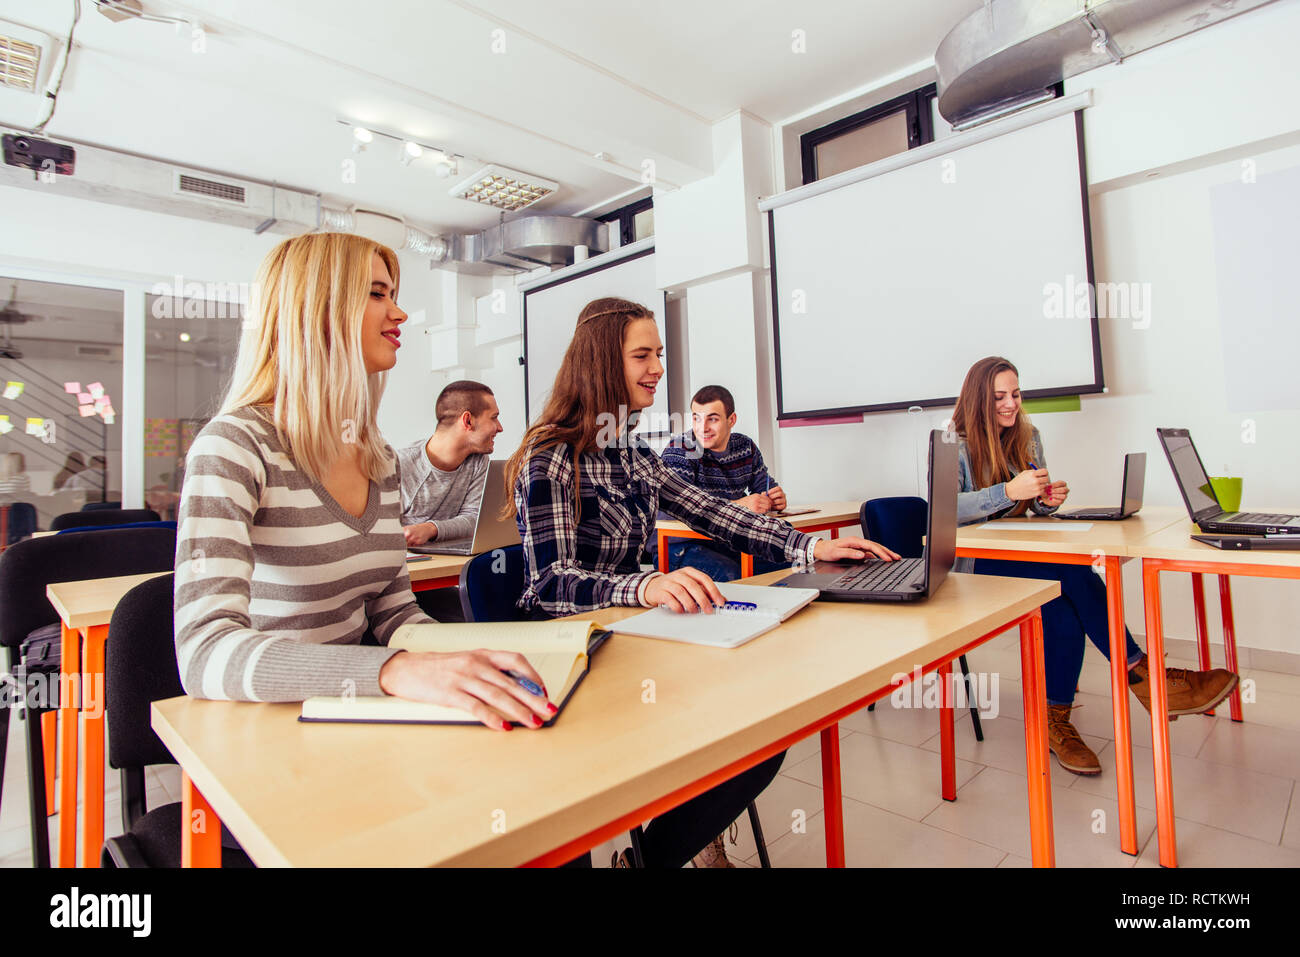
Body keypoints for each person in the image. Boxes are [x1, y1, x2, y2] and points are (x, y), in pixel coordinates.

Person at [504, 296, 899, 866]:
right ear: (600, 361)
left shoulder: (630, 451)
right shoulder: (552, 455)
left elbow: (714, 512)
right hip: (572, 658)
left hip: (634, 640)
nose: (658, 368)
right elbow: (549, 587)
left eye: (659, 353)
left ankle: (648, 859)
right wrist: (644, 586)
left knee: (761, 733)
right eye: (642, 355)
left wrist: (811, 545)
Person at [172, 232, 552, 733]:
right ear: (316, 309)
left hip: (351, 711)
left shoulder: (377, 455)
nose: (399, 314)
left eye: (394, 295)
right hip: (266, 725)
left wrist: (473, 659)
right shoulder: (234, 445)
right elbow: (204, 653)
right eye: (378, 294)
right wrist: (393, 670)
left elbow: (394, 611)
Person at [951, 356, 1238, 776]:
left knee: (1061, 602)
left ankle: (1055, 721)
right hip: (974, 566)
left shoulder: (1028, 437)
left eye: (1015, 393)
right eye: (998, 397)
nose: (1011, 404)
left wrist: (1047, 503)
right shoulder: (950, 443)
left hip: (1024, 556)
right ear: (977, 399)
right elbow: (944, 511)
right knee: (1072, 572)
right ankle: (1145, 677)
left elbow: (1030, 511)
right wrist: (1006, 491)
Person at [660, 384, 790, 581]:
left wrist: (774, 497)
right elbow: (675, 511)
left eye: (712, 419)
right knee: (733, 576)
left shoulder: (745, 447)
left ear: (732, 420)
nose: (702, 428)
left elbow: (763, 486)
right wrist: (739, 506)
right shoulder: (679, 449)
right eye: (696, 418)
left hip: (726, 541)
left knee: (785, 562)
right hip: (679, 545)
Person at [397, 379, 502, 621]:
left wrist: (431, 529)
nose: (499, 427)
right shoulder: (400, 465)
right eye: (494, 417)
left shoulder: (478, 462)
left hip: (447, 578)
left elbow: (476, 519)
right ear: (467, 421)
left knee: (484, 619)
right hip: (402, 591)